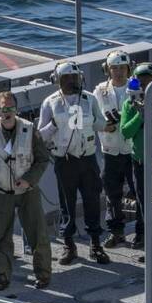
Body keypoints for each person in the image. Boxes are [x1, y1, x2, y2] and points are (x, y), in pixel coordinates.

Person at [38, 60, 110, 266]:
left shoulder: (89, 99)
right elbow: (40, 136)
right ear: (57, 80)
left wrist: (107, 125)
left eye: (74, 77)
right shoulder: (50, 102)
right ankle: (69, 244)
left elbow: (101, 123)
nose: (71, 81)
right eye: (66, 78)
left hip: (87, 159)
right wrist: (53, 125)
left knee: (92, 201)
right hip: (65, 160)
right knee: (66, 204)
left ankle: (96, 244)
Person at [0, 90, 53, 290]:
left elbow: (42, 159)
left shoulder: (29, 129)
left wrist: (29, 180)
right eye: (4, 109)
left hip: (27, 192)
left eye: (11, 108)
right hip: (0, 192)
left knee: (37, 234)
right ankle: (2, 275)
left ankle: (43, 274)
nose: (7, 113)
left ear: (16, 109)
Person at [94, 49, 141, 249]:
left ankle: (141, 233)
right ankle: (116, 232)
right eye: (114, 68)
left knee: (139, 194)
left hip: (132, 151)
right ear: (108, 70)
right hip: (110, 150)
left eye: (122, 68)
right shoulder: (99, 91)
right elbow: (92, 119)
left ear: (128, 68)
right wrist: (107, 125)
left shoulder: (136, 88)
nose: (119, 72)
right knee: (112, 194)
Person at [119, 62, 152, 253]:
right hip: (141, 162)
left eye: (147, 80)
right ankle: (144, 237)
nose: (143, 85)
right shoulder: (129, 104)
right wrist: (140, 115)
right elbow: (125, 132)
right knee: (143, 202)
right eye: (140, 81)